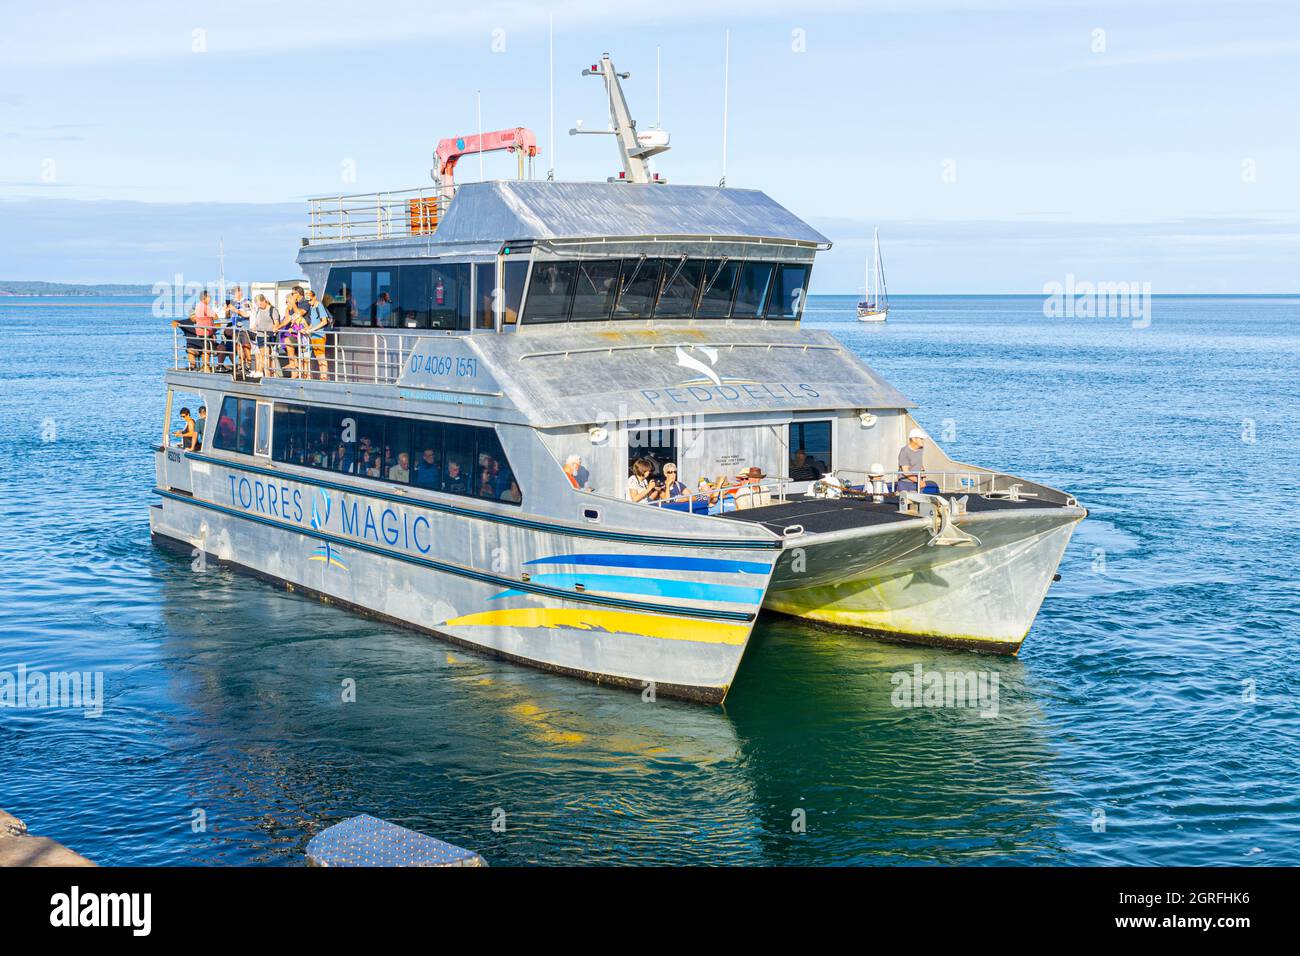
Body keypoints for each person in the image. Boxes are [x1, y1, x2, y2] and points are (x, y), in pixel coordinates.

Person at [304, 289, 332, 380]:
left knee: (321, 357)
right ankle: (322, 376)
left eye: (310, 300)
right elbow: (314, 322)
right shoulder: (312, 308)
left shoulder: (319, 306)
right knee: (318, 356)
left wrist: (311, 329)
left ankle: (324, 376)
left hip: (319, 335)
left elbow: (324, 322)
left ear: (314, 297)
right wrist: (307, 328)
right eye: (307, 300)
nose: (309, 302)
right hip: (314, 335)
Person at [249, 294, 277, 378]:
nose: (259, 306)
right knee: (263, 355)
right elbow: (257, 322)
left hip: (269, 335)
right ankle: (266, 374)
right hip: (260, 335)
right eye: (258, 305)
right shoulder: (259, 310)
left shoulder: (273, 310)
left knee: (267, 355)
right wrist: (254, 326)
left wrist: (275, 327)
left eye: (260, 304)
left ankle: (268, 375)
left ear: (264, 300)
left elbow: (276, 323)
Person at [193, 291, 216, 371]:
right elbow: (215, 316)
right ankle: (206, 366)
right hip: (205, 331)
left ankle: (205, 366)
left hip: (200, 331)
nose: (210, 299)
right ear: (204, 298)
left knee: (205, 348)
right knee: (207, 349)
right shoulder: (205, 307)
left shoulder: (198, 305)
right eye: (209, 297)